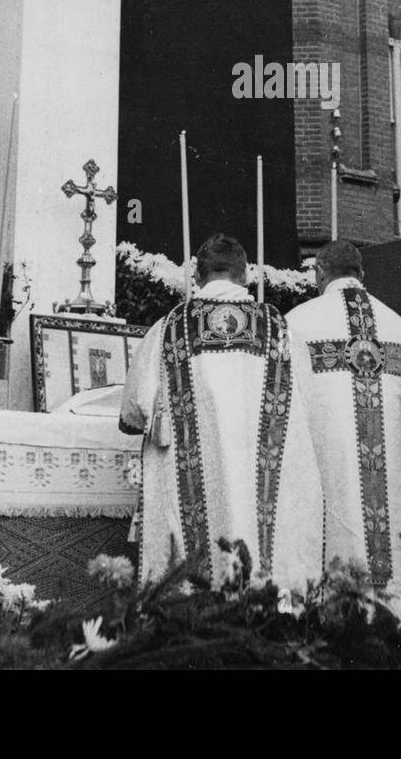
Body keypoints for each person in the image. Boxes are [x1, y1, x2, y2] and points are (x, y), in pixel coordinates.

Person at [119, 234, 323, 590]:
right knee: (265, 553)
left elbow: (134, 413)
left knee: (191, 569)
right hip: (264, 476)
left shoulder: (170, 327)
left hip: (190, 480)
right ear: (245, 276)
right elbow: (310, 405)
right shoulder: (279, 329)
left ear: (197, 275)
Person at [285, 240, 401, 586]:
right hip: (394, 484)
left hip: (327, 474)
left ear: (319, 273)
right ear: (362, 273)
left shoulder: (296, 325)